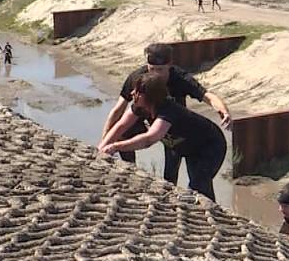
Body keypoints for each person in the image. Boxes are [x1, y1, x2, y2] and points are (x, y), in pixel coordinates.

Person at [101, 43, 232, 183]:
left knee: (198, 182)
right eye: (151, 69)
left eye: (160, 69)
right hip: (169, 132)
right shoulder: (140, 82)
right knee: (169, 176)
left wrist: (223, 111)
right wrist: (102, 148)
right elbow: (119, 120)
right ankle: (130, 170)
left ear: (169, 65)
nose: (155, 74)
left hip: (202, 141)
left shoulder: (175, 91)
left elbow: (148, 139)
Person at [99, 74, 227, 200]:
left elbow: (149, 139)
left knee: (199, 185)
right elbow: (121, 126)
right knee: (197, 187)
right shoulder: (140, 107)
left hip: (210, 145)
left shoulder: (168, 110)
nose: (132, 93)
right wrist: (101, 148)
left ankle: (213, 215)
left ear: (148, 96)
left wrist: (116, 147)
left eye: (137, 91)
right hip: (188, 147)